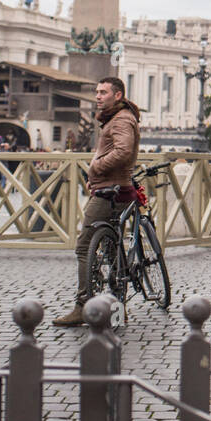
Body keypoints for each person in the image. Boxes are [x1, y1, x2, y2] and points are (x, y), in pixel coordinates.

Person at [54, 76, 141, 327]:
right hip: (116, 188)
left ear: (118, 95)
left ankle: (83, 305)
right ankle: (117, 308)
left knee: (84, 247)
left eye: (103, 92)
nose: (98, 96)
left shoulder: (122, 119)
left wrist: (95, 168)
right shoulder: (117, 118)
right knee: (113, 249)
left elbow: (124, 152)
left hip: (111, 192)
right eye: (96, 92)